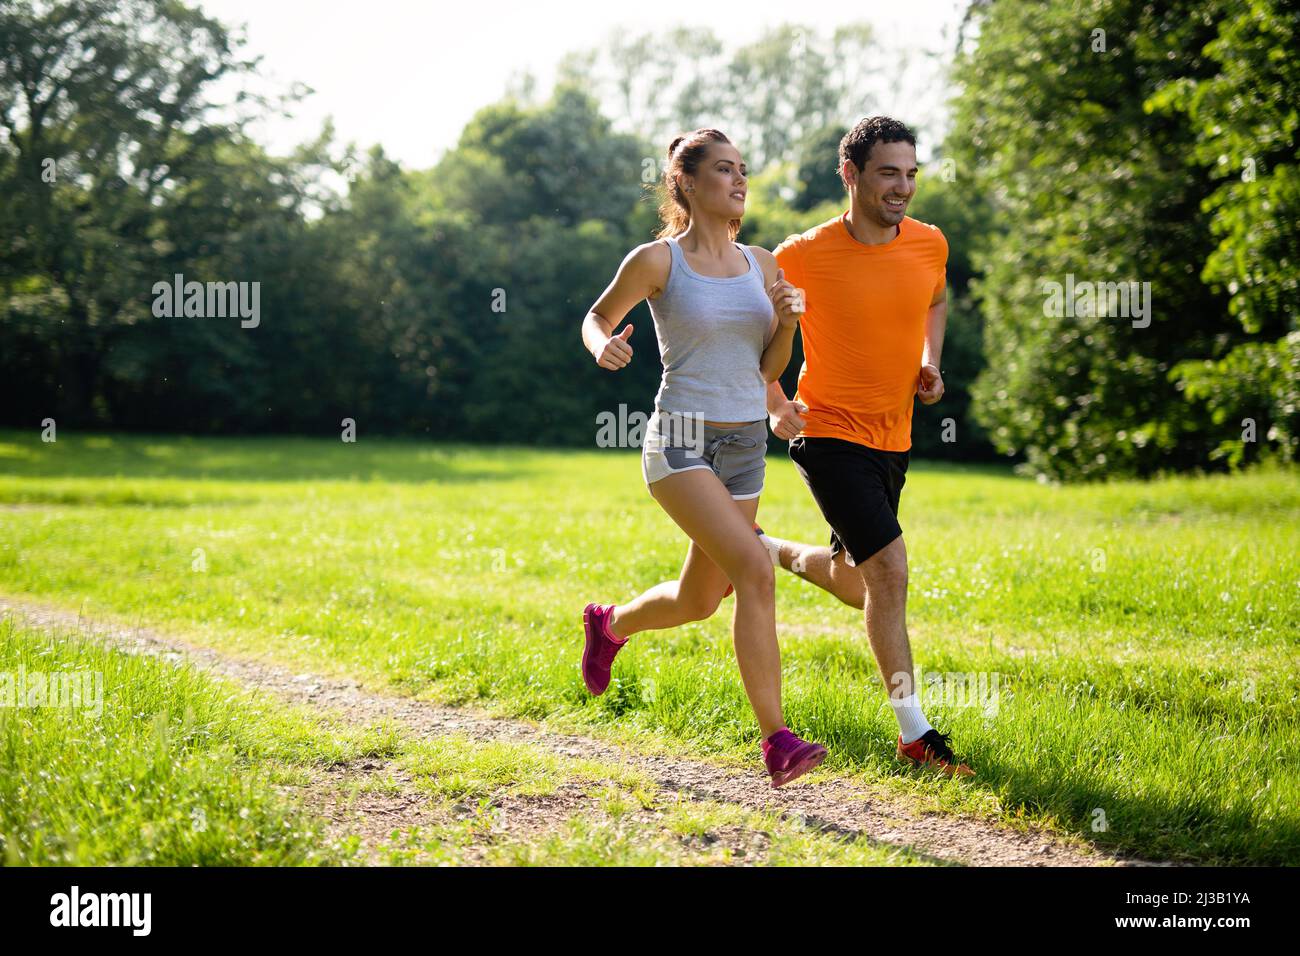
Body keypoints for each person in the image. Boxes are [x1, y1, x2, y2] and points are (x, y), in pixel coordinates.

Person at [579, 128, 826, 788]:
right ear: (686, 183)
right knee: (754, 568)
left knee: (699, 598)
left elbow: (768, 365)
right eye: (724, 170)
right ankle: (777, 739)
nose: (739, 180)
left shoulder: (764, 264)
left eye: (743, 169)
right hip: (680, 435)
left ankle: (609, 625)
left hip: (745, 440)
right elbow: (597, 316)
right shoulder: (658, 261)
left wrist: (791, 325)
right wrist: (601, 345)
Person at [761, 116, 975, 777]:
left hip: (894, 437)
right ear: (850, 175)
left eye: (911, 174)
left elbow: (935, 302)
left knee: (859, 587)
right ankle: (917, 732)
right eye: (889, 173)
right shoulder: (799, 254)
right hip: (827, 433)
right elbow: (756, 335)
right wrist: (776, 404)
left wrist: (928, 359)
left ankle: (764, 549)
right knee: (890, 573)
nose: (903, 187)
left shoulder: (930, 245)